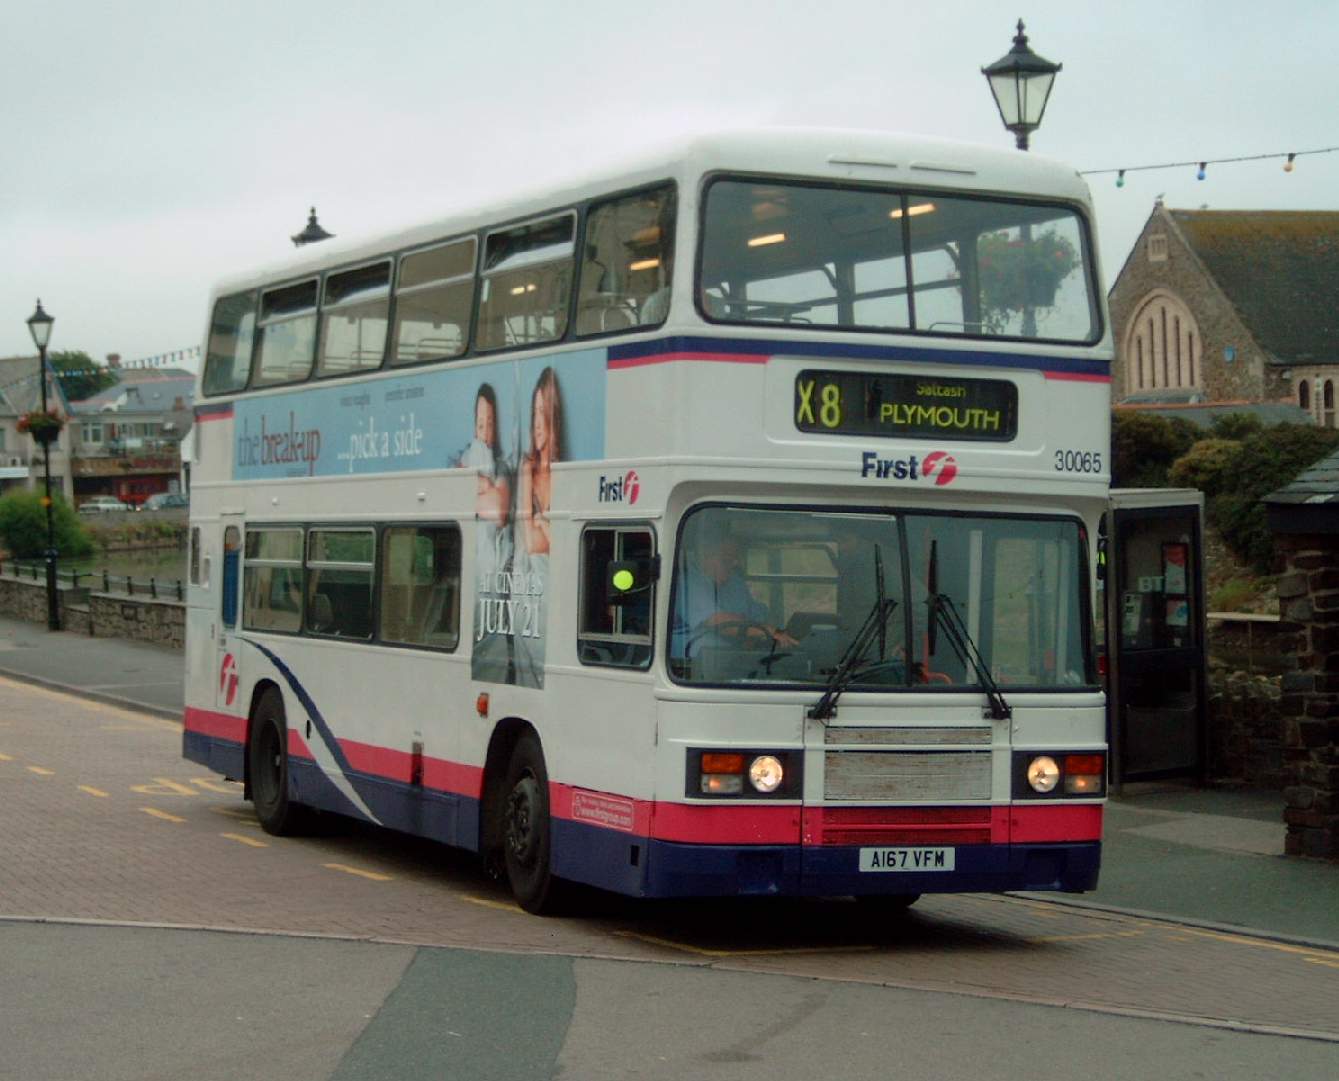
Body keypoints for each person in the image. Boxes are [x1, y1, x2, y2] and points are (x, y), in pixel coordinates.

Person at [672, 518, 797, 658]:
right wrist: (767, 631)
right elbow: (719, 622)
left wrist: (775, 631)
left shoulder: (735, 583)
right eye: (726, 560)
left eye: (735, 560)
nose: (733, 565)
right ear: (706, 555)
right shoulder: (688, 582)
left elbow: (758, 615)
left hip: (735, 658)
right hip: (693, 666)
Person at [457, 384, 512, 587]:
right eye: (481, 426)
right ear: (474, 429)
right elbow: (455, 498)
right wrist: (485, 487)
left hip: (493, 573)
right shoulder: (465, 457)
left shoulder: (502, 467)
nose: (486, 433)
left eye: (490, 424)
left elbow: (498, 510)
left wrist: (478, 486)